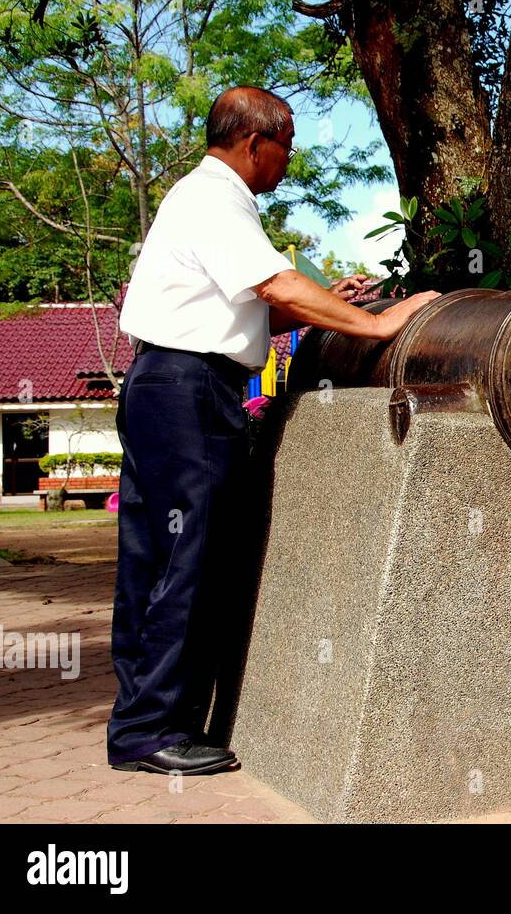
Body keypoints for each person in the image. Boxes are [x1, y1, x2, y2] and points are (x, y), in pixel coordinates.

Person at [110, 85, 439, 775]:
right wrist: (380, 322)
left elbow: (251, 310)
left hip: (164, 385)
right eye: (286, 145)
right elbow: (276, 287)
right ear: (255, 143)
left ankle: (139, 723)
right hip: (188, 393)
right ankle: (151, 730)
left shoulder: (201, 199)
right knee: (188, 560)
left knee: (154, 560)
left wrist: (331, 305)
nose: (288, 160)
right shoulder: (217, 198)